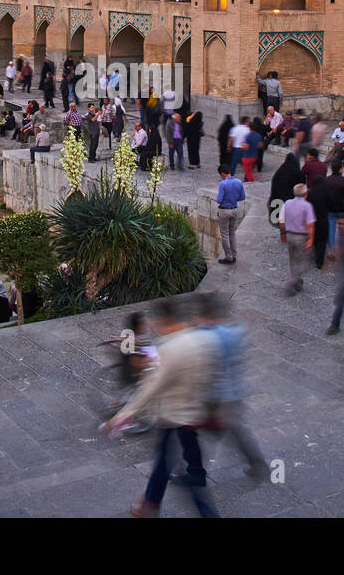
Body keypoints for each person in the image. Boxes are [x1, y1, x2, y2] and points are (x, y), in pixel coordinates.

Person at [107, 297, 220, 518]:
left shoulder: (169, 349)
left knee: (184, 473)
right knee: (169, 462)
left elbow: (150, 388)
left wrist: (123, 416)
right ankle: (151, 503)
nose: (155, 327)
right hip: (192, 414)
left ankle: (161, 505)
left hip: (175, 416)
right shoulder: (198, 339)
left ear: (165, 319)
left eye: (156, 321)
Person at [195, 293, 264, 477]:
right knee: (234, 430)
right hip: (235, 393)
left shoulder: (208, 336)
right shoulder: (235, 331)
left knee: (196, 432)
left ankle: (194, 470)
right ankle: (257, 462)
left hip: (216, 397)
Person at [280, 183, 315, 295]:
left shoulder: (287, 203)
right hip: (301, 236)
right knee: (305, 262)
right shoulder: (307, 206)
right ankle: (292, 281)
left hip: (290, 235)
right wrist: (311, 238)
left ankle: (298, 282)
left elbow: (281, 221)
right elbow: (310, 224)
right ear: (305, 193)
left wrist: (283, 234)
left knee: (293, 259)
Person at [216, 166, 245, 264]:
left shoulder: (223, 184)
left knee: (225, 234)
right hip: (234, 209)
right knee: (232, 233)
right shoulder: (239, 182)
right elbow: (242, 197)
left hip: (224, 210)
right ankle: (234, 254)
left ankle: (228, 257)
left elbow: (219, 200)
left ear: (222, 173)